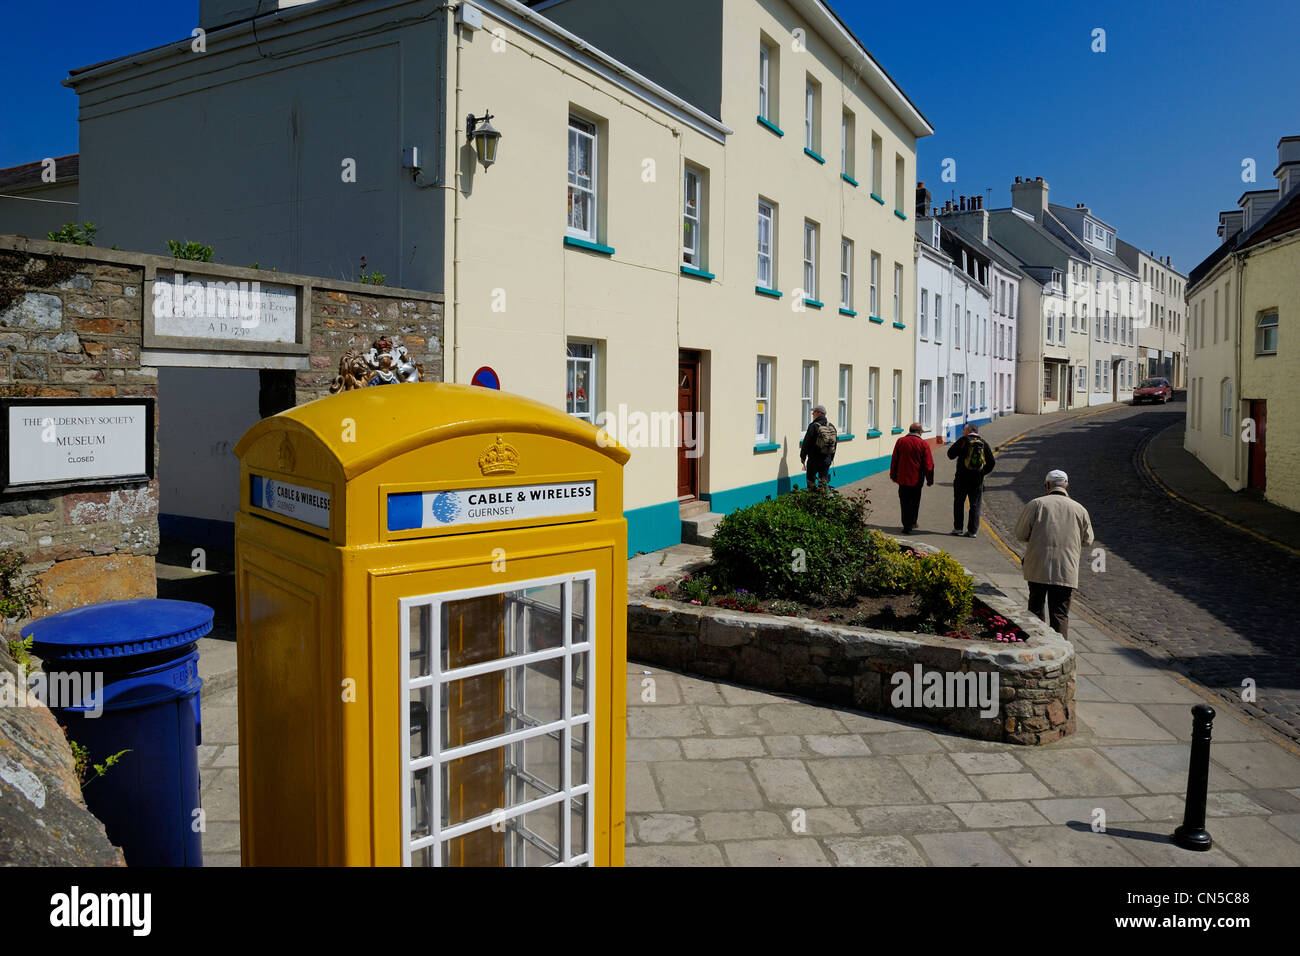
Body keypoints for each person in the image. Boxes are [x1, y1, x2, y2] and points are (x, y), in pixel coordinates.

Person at [1013, 469, 1094, 640]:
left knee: (1035, 609)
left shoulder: (1036, 504)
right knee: (1060, 614)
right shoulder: (1080, 509)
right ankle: (1060, 650)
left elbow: (1020, 534)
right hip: (1066, 569)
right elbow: (1088, 540)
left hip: (1037, 565)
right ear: (1067, 486)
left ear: (1047, 485)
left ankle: (1037, 643)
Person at [947, 423, 995, 537]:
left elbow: (950, 454)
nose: (963, 432)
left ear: (969, 431)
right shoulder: (983, 443)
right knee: (975, 505)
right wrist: (982, 473)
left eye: (964, 430)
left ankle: (958, 528)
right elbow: (991, 462)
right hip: (977, 480)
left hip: (961, 478)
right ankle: (972, 531)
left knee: (959, 503)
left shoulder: (963, 441)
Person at [889, 422, 934, 534]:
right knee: (915, 501)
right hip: (917, 479)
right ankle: (913, 522)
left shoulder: (900, 441)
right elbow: (929, 465)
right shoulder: (923, 444)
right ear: (920, 431)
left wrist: (893, 475)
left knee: (904, 502)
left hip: (903, 478)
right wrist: (929, 480)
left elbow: (895, 459)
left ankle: (906, 525)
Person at [799, 404, 837, 489]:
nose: (812, 414)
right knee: (823, 482)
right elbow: (835, 444)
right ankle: (822, 500)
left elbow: (806, 443)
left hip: (814, 459)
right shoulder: (831, 426)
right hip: (826, 458)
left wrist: (803, 456)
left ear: (819, 413)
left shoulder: (814, 426)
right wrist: (831, 458)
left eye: (814, 412)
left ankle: (812, 500)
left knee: (811, 481)